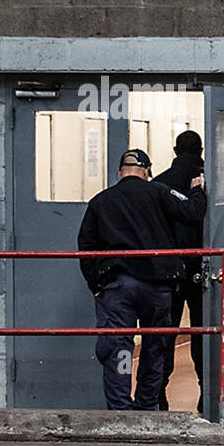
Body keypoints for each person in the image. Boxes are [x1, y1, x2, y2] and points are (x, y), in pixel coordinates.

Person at [77, 148, 206, 410]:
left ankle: (122, 410)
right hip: (157, 287)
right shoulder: (158, 191)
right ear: (147, 171)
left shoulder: (101, 201)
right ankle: (147, 406)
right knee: (153, 348)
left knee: (120, 349)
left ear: (119, 172)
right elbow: (192, 212)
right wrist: (197, 190)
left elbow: (86, 247)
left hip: (117, 287)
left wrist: (97, 285)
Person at [153, 130, 206, 412]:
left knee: (165, 333)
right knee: (202, 332)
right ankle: (206, 393)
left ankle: (158, 394)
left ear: (175, 151)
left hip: (169, 271)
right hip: (202, 270)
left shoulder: (159, 183)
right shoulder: (218, 184)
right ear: (201, 151)